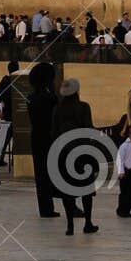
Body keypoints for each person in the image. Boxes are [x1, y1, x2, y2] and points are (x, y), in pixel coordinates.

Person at [50, 79, 99, 237]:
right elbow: (88, 128)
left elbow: (54, 132)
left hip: (63, 152)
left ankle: (70, 225)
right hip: (81, 151)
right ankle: (88, 223)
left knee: (67, 190)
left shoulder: (57, 108)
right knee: (86, 189)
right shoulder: (83, 107)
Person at [27, 61, 60, 219]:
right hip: (49, 137)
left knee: (41, 174)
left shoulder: (31, 98)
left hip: (36, 137)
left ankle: (45, 207)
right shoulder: (50, 98)